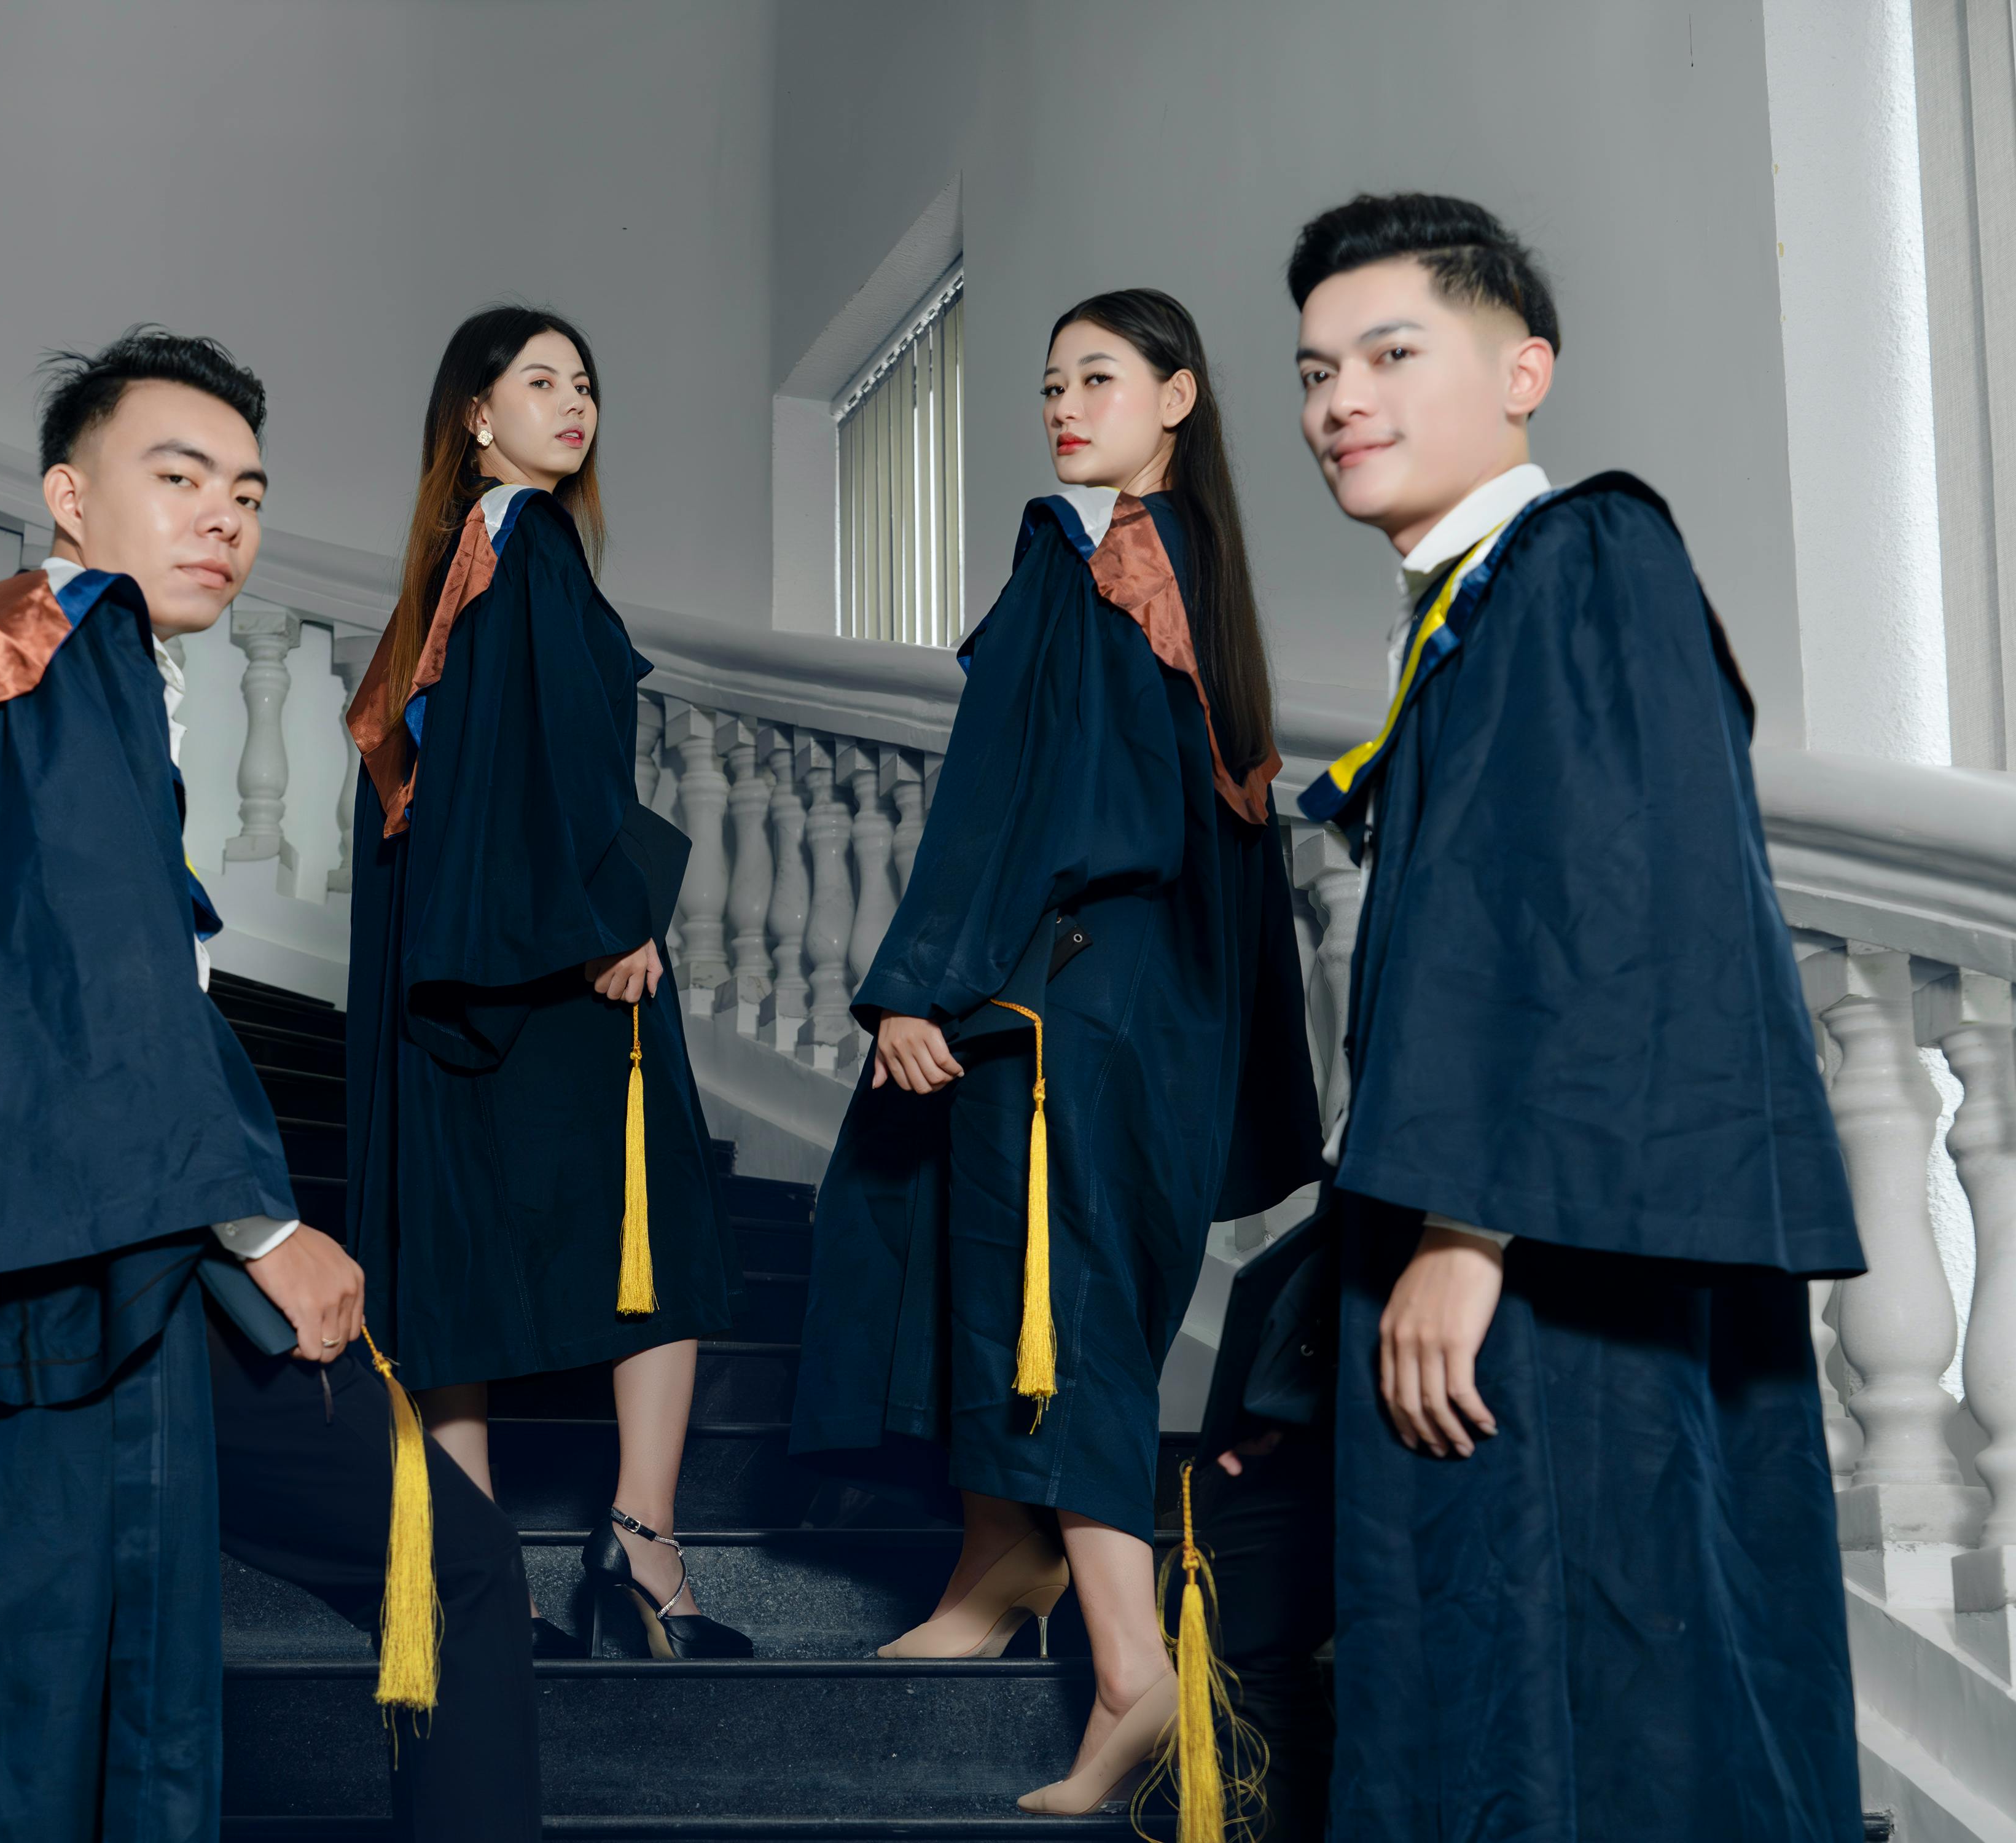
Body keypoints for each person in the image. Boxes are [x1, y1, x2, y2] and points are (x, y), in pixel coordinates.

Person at [0, 329, 540, 1842]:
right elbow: (97, 981)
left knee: (390, 1572)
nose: (225, 521)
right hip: (105, 1260)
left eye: (249, 496)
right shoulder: (45, 652)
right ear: (71, 497)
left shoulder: (76, 667)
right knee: (440, 1558)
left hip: (106, 1235)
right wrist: (263, 1228)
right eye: (178, 477)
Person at [1279, 194, 1866, 1840]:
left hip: (1551, 1256)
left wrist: (1468, 1228)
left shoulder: (1586, 560)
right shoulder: (1475, 608)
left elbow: (1605, 912)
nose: (1340, 400)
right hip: (1523, 1234)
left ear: (1521, 370)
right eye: (1315, 369)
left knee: (1597, 1696)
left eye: (1392, 353)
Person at [789, 288, 1323, 1817]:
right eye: (1049, 384)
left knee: (1059, 1311)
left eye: (1100, 377)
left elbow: (1011, 802)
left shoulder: (1091, 557)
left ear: (1180, 398)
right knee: (990, 1262)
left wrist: (918, 983)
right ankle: (996, 1556)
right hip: (1153, 1011)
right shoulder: (1192, 576)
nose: (1065, 405)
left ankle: (1130, 1665)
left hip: (1066, 992)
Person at [343, 305, 749, 1661]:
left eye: (586, 383)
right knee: (666, 1235)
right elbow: (564, 752)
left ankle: (477, 1576)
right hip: (571, 955)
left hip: (455, 964)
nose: (574, 405)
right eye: (540, 382)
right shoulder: (526, 550)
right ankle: (643, 1546)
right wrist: (611, 911)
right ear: (477, 414)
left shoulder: (449, 572)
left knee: (455, 1247)